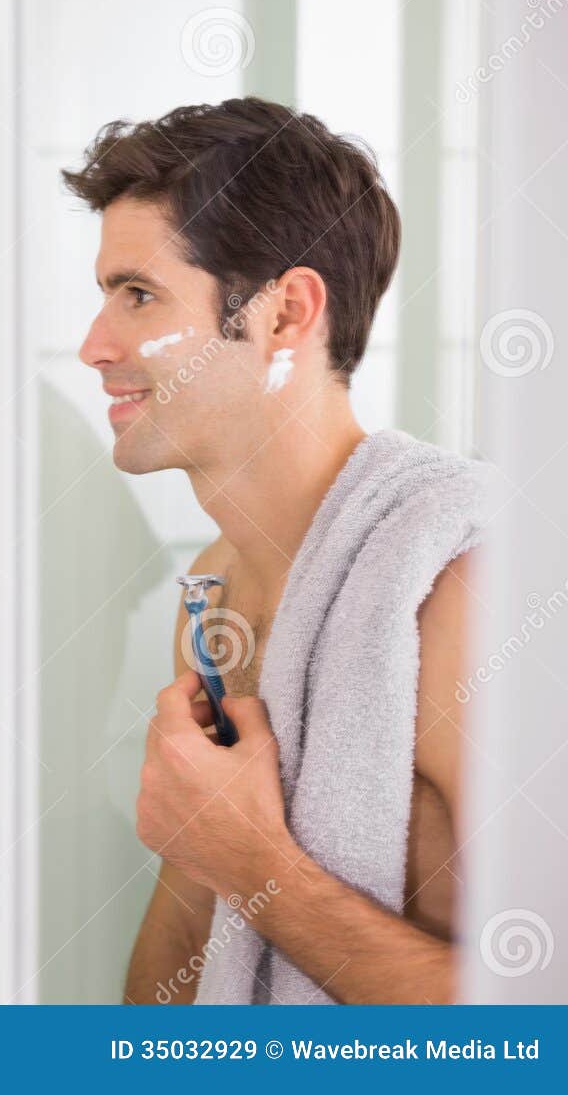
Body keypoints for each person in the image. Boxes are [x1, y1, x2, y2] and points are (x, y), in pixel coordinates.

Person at [66, 97, 484, 1004]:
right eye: (104, 295)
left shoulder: (456, 595)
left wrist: (256, 862)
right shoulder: (213, 597)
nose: (95, 346)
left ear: (285, 312)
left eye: (138, 294)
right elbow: (189, 930)